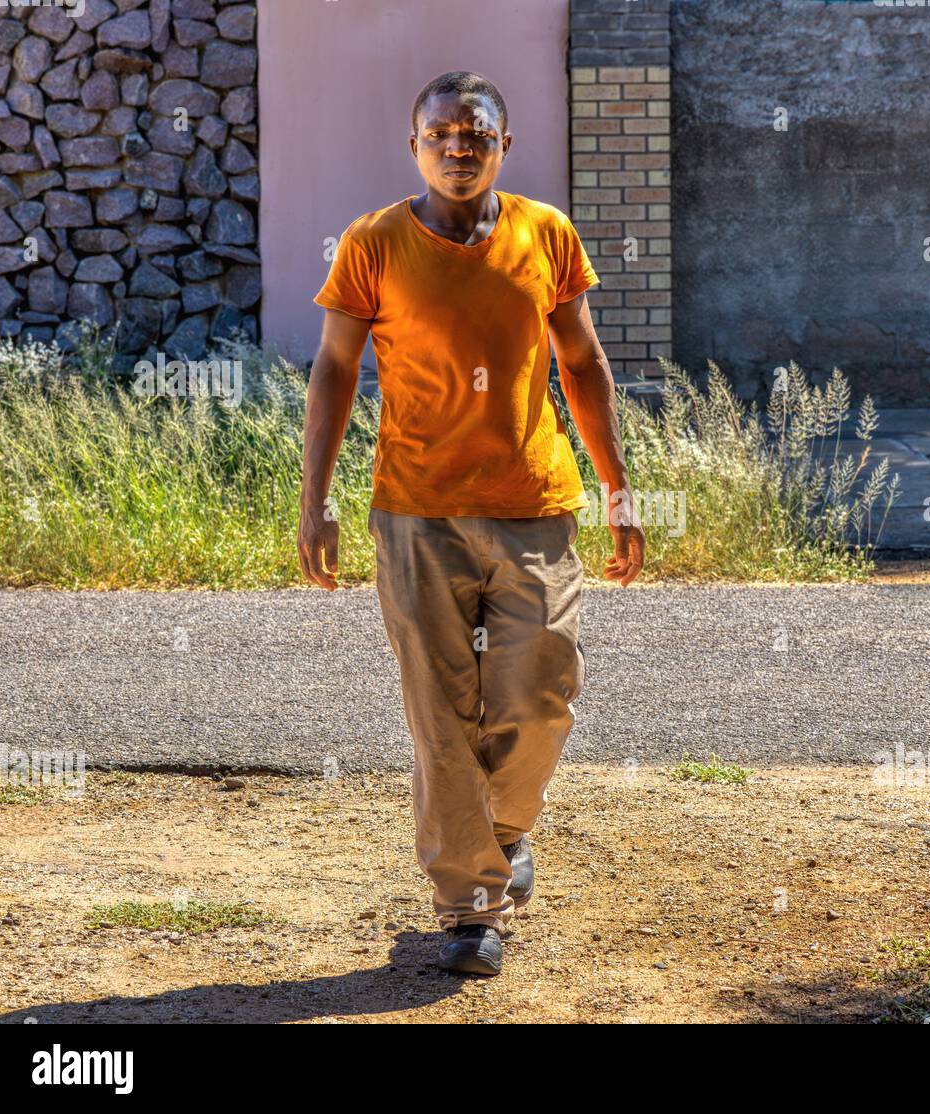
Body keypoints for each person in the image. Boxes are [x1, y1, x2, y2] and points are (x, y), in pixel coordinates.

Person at [298, 71, 645, 976]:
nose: (460, 147)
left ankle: (502, 831)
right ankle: (472, 908)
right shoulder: (373, 244)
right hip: (416, 513)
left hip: (534, 506)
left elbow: (584, 363)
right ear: (415, 146)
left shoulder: (545, 234)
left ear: (504, 147)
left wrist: (619, 490)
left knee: (539, 694)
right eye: (442, 133)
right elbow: (334, 372)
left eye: (477, 134)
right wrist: (317, 499)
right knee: (441, 718)